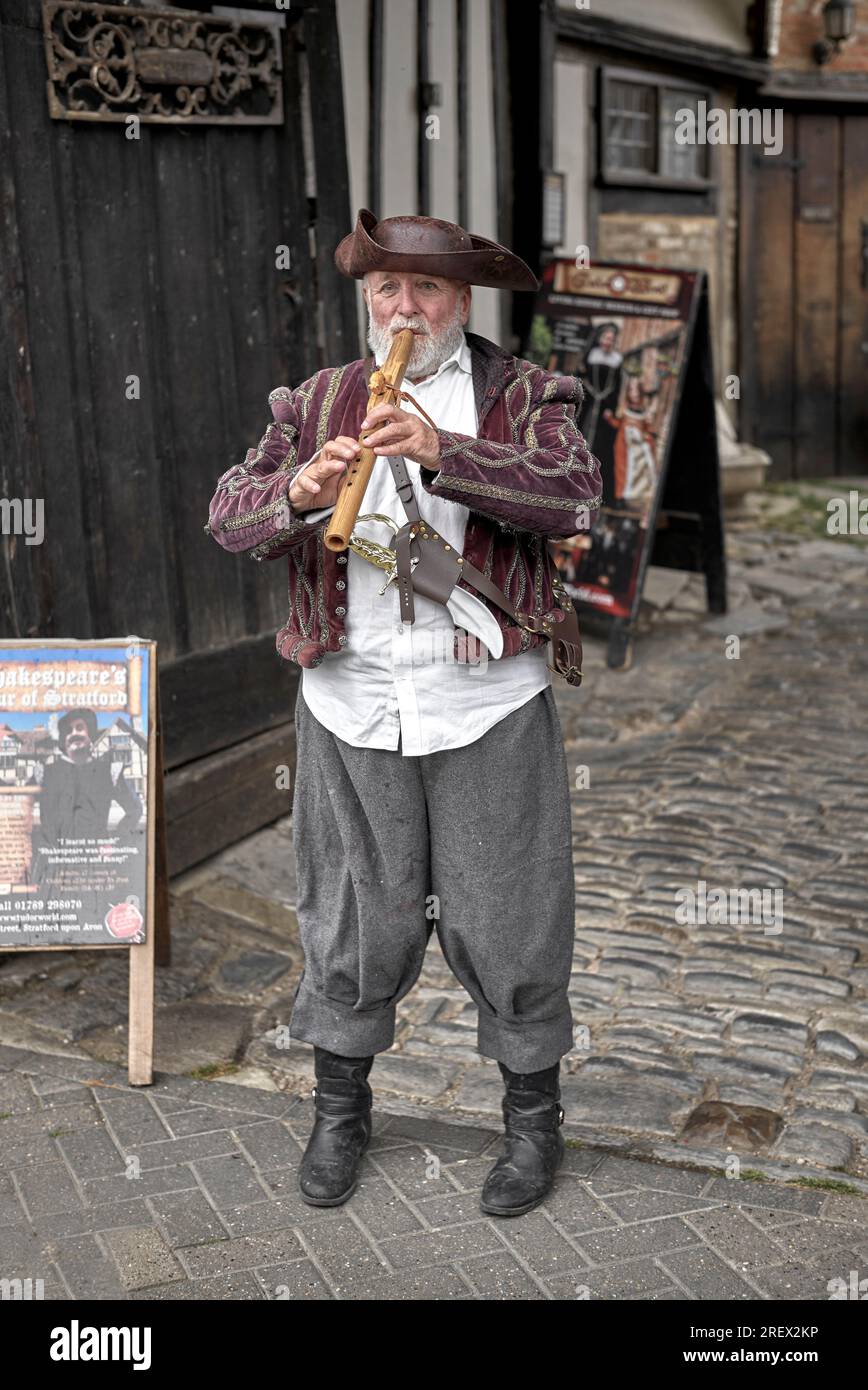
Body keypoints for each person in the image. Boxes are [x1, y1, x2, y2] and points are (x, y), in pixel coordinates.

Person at [205, 209, 602, 1217]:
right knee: (350, 917)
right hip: (352, 697)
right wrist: (297, 489)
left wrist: (444, 452)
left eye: (425, 289)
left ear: (461, 300)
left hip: (486, 701)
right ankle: (340, 1115)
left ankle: (530, 1123)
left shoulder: (525, 393)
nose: (404, 308)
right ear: (365, 298)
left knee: (508, 920)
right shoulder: (313, 400)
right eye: (387, 289)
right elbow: (229, 515)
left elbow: (573, 496)